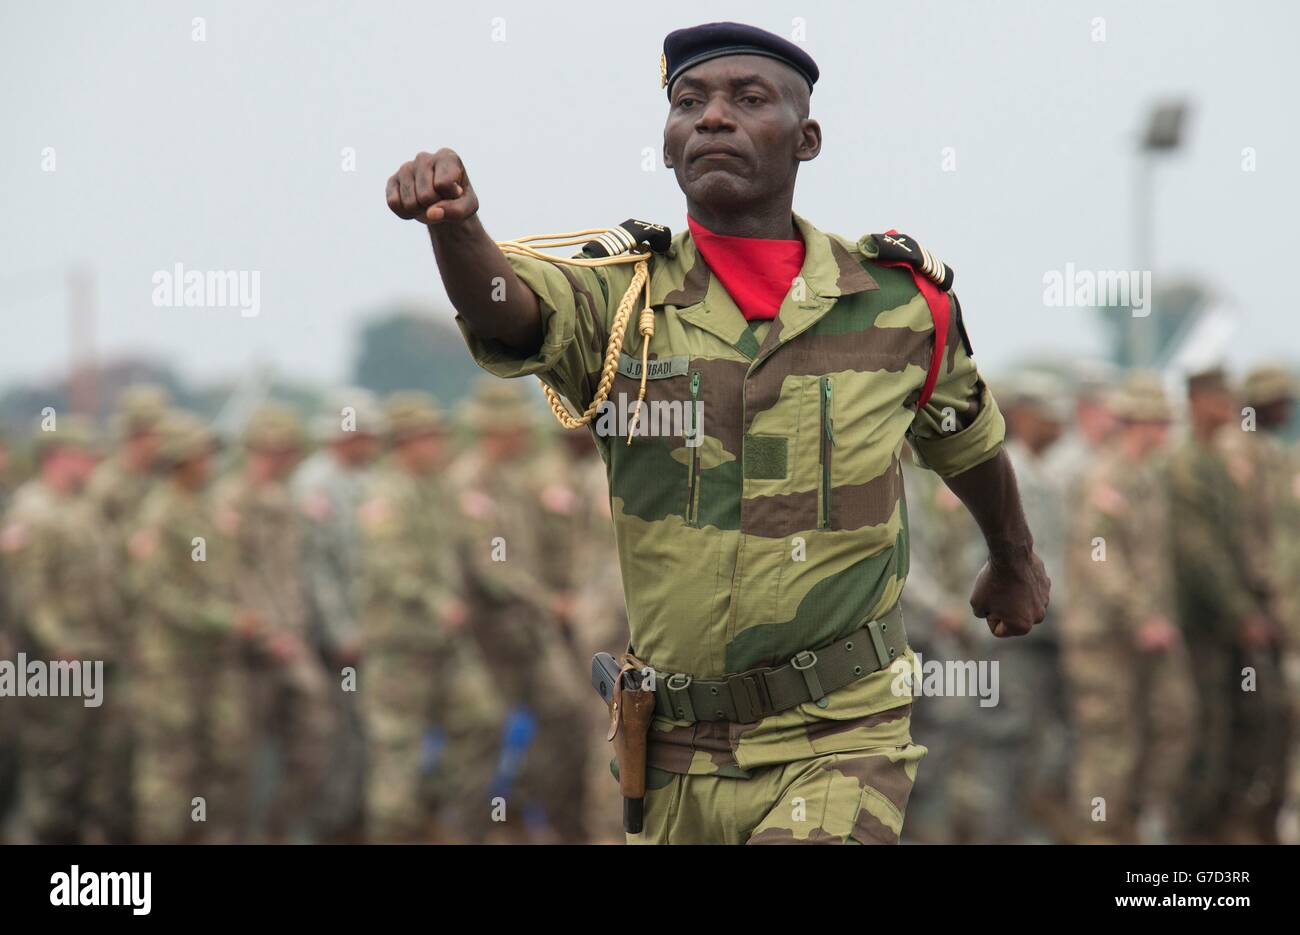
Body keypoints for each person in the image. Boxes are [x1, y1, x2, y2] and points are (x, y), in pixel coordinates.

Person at [386, 21, 1049, 844]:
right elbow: (512, 312)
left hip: (838, 731)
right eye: (688, 103)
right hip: (673, 747)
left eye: (748, 99)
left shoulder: (901, 306)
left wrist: (1013, 556)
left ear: (806, 139)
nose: (711, 118)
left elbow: (967, 439)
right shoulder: (617, 301)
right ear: (667, 146)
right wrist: (455, 229)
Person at [447, 380, 589, 843]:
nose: (526, 435)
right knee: (483, 733)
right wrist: (550, 602)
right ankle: (470, 829)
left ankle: (539, 813)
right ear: (496, 430)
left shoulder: (513, 477)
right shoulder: (469, 483)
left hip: (526, 630)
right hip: (485, 636)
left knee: (565, 714)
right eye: (517, 428)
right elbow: (492, 568)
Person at [357, 392, 501, 842]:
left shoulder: (437, 487)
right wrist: (438, 601)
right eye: (429, 436)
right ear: (405, 441)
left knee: (482, 721)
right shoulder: (385, 495)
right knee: (397, 754)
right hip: (400, 647)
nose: (438, 443)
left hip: (444, 643)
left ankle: (457, 827)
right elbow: (390, 567)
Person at [1063, 372, 1194, 843]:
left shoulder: (1147, 478)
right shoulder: (1105, 476)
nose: (1166, 431)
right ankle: (1099, 833)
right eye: (1160, 421)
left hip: (1149, 632)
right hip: (1103, 636)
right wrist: (1142, 614)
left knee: (1173, 722)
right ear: (1139, 423)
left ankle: (1132, 823)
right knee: (1109, 741)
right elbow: (1098, 556)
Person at [128, 411, 259, 843]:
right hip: (171, 663)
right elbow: (156, 593)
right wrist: (222, 619)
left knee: (224, 756)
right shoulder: (158, 514)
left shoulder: (207, 505)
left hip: (215, 661)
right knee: (169, 767)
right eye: (203, 455)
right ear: (181, 460)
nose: (211, 462)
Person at [213, 401, 330, 842]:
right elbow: (230, 578)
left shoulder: (283, 499)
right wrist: (265, 633)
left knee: (314, 740)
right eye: (285, 450)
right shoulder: (229, 501)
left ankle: (279, 831)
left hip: (290, 642)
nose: (293, 459)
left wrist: (296, 630)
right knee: (240, 758)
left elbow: (290, 574)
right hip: (247, 650)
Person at [1, 417, 120, 843]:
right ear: (56, 457)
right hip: (54, 664)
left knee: (88, 770)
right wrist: (59, 646)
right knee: (51, 770)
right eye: (83, 454)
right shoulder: (33, 510)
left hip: (96, 654)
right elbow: (30, 596)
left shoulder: (83, 508)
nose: (91, 462)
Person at [1167, 367, 1272, 843]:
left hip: (1225, 623)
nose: (1229, 406)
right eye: (1219, 397)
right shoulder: (1186, 463)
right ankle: (1192, 834)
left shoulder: (1215, 462)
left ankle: (1224, 828)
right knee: (1203, 737)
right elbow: (1198, 550)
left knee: (1241, 725)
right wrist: (1240, 610)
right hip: (1200, 624)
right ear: (1196, 402)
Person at [293, 389, 384, 842]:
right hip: (331, 638)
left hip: (368, 629)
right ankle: (326, 824)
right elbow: (316, 568)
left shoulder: (366, 481)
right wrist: (340, 631)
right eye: (364, 434)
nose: (372, 443)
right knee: (334, 733)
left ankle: (354, 818)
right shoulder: (315, 484)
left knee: (364, 731)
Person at [1215, 364, 1294, 842]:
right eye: (1278, 399)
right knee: (1247, 721)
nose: (1286, 408)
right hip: (1247, 614)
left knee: (1275, 722)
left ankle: (1262, 821)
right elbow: (1237, 543)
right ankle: (1234, 824)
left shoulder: (1275, 454)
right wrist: (1246, 608)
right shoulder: (1232, 451)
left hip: (1280, 612)